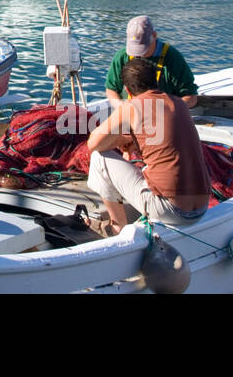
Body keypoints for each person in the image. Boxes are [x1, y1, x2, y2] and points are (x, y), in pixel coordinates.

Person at [86, 56, 211, 236]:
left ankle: (117, 227)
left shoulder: (132, 106)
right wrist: (128, 139)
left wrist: (120, 140)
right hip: (202, 208)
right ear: (156, 80)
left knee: (99, 158)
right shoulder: (178, 103)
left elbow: (94, 143)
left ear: (127, 90)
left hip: (171, 211)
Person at [105, 15, 198, 108]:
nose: (138, 54)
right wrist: (122, 107)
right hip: (129, 114)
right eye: (134, 48)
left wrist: (167, 110)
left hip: (163, 115)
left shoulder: (173, 58)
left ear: (154, 36)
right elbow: (111, 89)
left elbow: (191, 97)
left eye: (143, 47)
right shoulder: (122, 56)